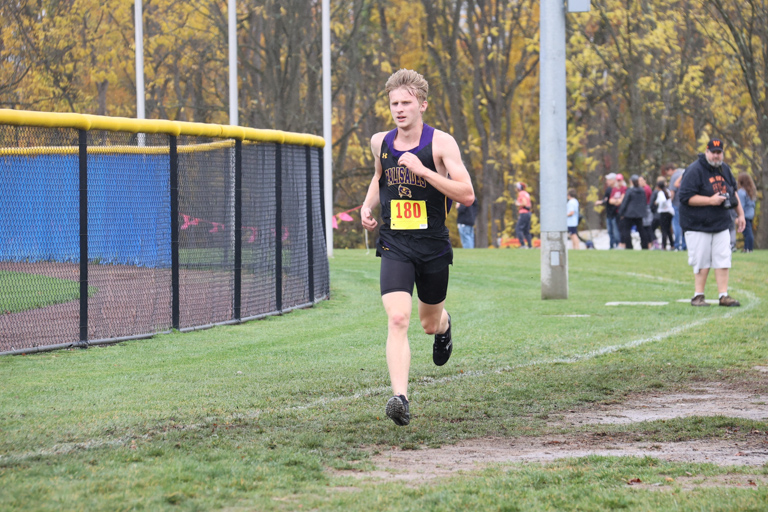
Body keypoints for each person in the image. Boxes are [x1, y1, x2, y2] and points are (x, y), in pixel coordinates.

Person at [360, 69, 475, 426]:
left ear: (422, 104)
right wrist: (367, 206)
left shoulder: (441, 144)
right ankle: (400, 398)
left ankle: (445, 325)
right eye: (394, 103)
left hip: (432, 246)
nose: (399, 109)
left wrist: (424, 171)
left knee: (428, 323)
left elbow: (467, 195)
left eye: (406, 102)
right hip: (395, 243)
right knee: (397, 318)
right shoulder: (380, 141)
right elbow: (379, 179)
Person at [678, 138, 745, 307]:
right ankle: (698, 296)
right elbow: (685, 197)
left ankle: (723, 295)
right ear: (706, 152)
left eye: (719, 152)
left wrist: (741, 215)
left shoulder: (725, 169)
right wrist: (710, 200)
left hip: (721, 222)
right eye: (713, 152)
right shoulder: (695, 170)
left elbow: (733, 192)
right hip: (697, 224)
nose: (716, 156)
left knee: (723, 258)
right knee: (701, 260)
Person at [618, 175, 652, 250]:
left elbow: (625, 202)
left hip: (629, 214)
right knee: (641, 230)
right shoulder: (642, 191)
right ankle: (644, 246)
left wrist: (621, 213)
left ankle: (629, 246)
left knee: (626, 230)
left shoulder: (630, 191)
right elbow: (644, 202)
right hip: (639, 214)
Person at [596, 173, 619, 248]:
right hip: (609, 214)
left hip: (616, 214)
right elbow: (605, 200)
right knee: (610, 232)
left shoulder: (617, 189)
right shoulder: (608, 189)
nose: (607, 182)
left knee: (616, 232)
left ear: (614, 180)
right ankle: (612, 246)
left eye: (609, 180)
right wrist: (601, 202)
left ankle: (618, 245)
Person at [737, 172, 757, 252]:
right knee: (748, 232)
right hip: (751, 214)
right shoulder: (751, 191)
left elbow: (741, 205)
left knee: (747, 233)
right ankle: (746, 248)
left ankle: (749, 248)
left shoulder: (741, 192)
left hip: (745, 215)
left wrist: (738, 216)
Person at [668, 166, 687, 251]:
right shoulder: (688, 176)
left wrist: (669, 202)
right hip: (686, 204)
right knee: (684, 225)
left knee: (677, 224)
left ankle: (677, 244)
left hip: (677, 203)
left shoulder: (676, 176)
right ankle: (684, 245)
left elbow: (674, 187)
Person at [654, 179, 675, 250]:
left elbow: (662, 200)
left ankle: (664, 246)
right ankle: (672, 245)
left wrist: (660, 205)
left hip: (664, 212)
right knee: (669, 229)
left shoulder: (660, 193)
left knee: (664, 230)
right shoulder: (667, 191)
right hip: (670, 212)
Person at [515, 182, 533, 248]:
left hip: (523, 213)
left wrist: (518, 204)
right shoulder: (526, 193)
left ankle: (523, 245)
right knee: (526, 230)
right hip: (528, 213)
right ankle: (530, 246)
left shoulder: (521, 193)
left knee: (518, 229)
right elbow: (529, 204)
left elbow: (524, 203)